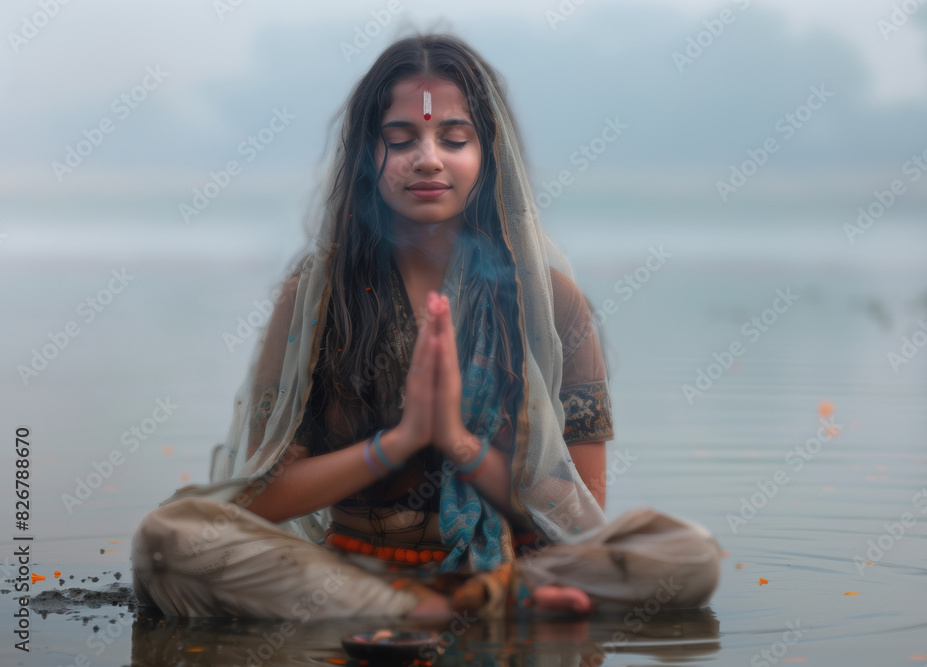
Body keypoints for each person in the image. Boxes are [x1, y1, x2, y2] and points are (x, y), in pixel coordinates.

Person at [131, 32, 721, 621]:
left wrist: (460, 443)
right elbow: (262, 499)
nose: (429, 159)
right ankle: (443, 610)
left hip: (519, 562)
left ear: (488, 154)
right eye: (400, 139)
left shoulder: (550, 303)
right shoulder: (319, 300)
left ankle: (456, 603)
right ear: (367, 157)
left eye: (454, 139)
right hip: (353, 567)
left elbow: (582, 517)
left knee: (686, 555)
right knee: (170, 540)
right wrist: (400, 441)